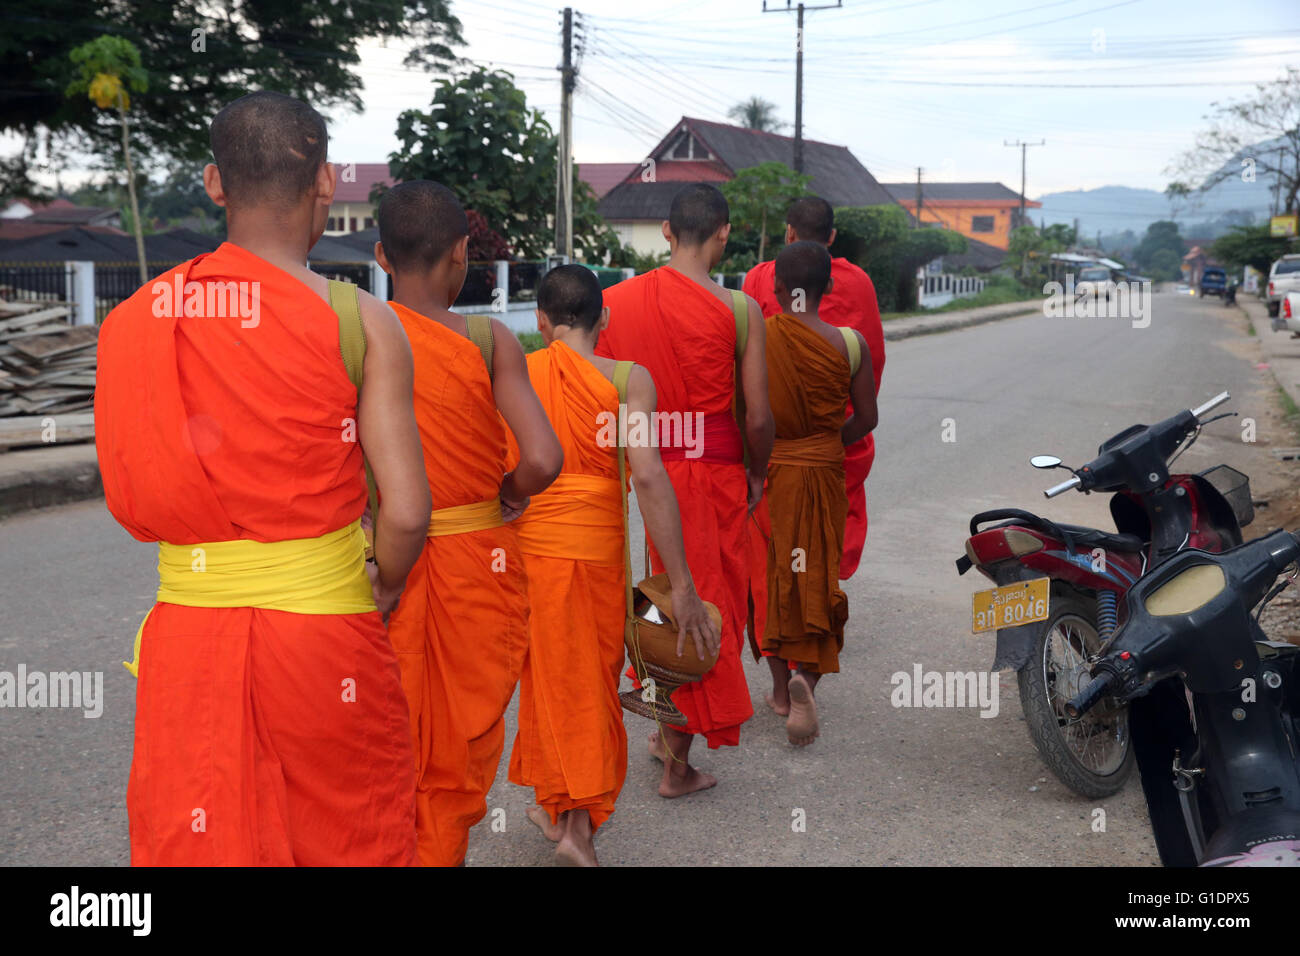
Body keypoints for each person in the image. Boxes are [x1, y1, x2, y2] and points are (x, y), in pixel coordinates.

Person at [95, 91, 430, 865]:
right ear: (326, 182)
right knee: (347, 833)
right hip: (321, 638)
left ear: (215, 184)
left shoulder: (134, 322)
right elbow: (407, 513)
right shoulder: (362, 321)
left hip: (187, 638)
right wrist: (383, 585)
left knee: (199, 832)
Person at [374, 180, 563, 867]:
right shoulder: (488, 340)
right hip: (474, 561)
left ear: (380, 255)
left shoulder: (355, 336)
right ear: (462, 253)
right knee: (457, 741)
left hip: (380, 564)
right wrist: (510, 493)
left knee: (385, 738)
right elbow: (542, 458)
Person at [508, 265, 721, 864]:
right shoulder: (628, 380)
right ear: (604, 320)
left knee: (550, 679)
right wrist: (680, 584)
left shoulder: (520, 374)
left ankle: (566, 816)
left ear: (540, 322)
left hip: (533, 552)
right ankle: (573, 824)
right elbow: (649, 475)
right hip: (595, 552)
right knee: (590, 683)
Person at [597, 184, 773, 795]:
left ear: (667, 233)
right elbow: (756, 415)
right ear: (724, 233)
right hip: (714, 474)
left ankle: (664, 721)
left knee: (658, 591)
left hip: (644, 468)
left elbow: (597, 391)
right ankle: (677, 761)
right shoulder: (739, 308)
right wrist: (756, 471)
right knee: (701, 599)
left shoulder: (614, 303)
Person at [761, 241, 878, 745]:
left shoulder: (757, 341)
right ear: (829, 288)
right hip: (826, 469)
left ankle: (780, 691)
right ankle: (806, 677)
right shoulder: (851, 345)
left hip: (774, 472)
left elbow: (752, 418)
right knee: (816, 572)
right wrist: (826, 443)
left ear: (778, 290)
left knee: (773, 576)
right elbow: (868, 419)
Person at [742, 196, 885, 584]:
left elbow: (746, 367)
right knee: (829, 528)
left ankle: (783, 607)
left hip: (777, 438)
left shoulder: (761, 276)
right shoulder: (859, 282)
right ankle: (820, 598)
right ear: (833, 236)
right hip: (839, 434)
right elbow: (873, 360)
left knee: (776, 531)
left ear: (788, 232)